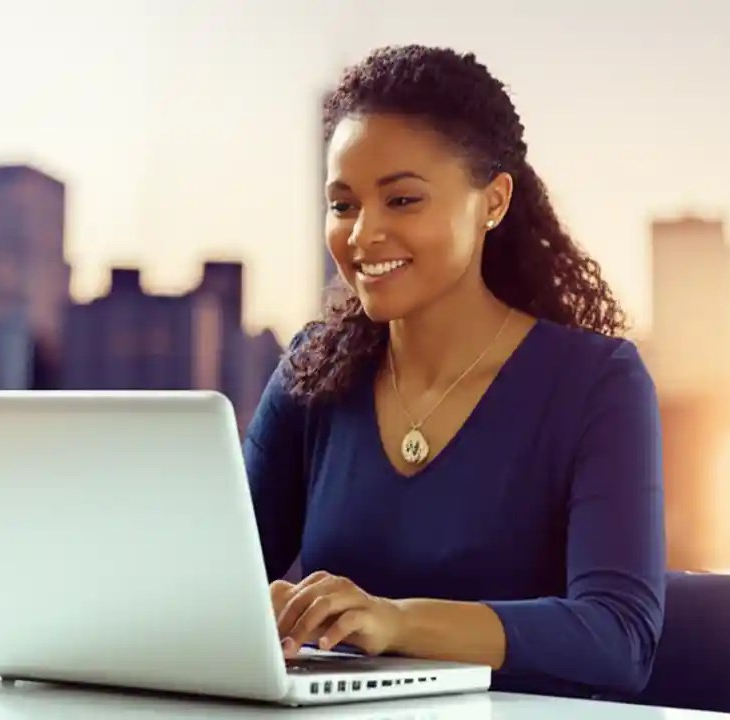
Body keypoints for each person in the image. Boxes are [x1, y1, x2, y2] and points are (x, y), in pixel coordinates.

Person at [244, 44, 665, 700]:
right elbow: (216, 589)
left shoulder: (597, 383)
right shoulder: (313, 378)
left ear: (492, 202)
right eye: (343, 204)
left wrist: (394, 619)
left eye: (403, 200)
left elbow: (619, 637)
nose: (362, 235)